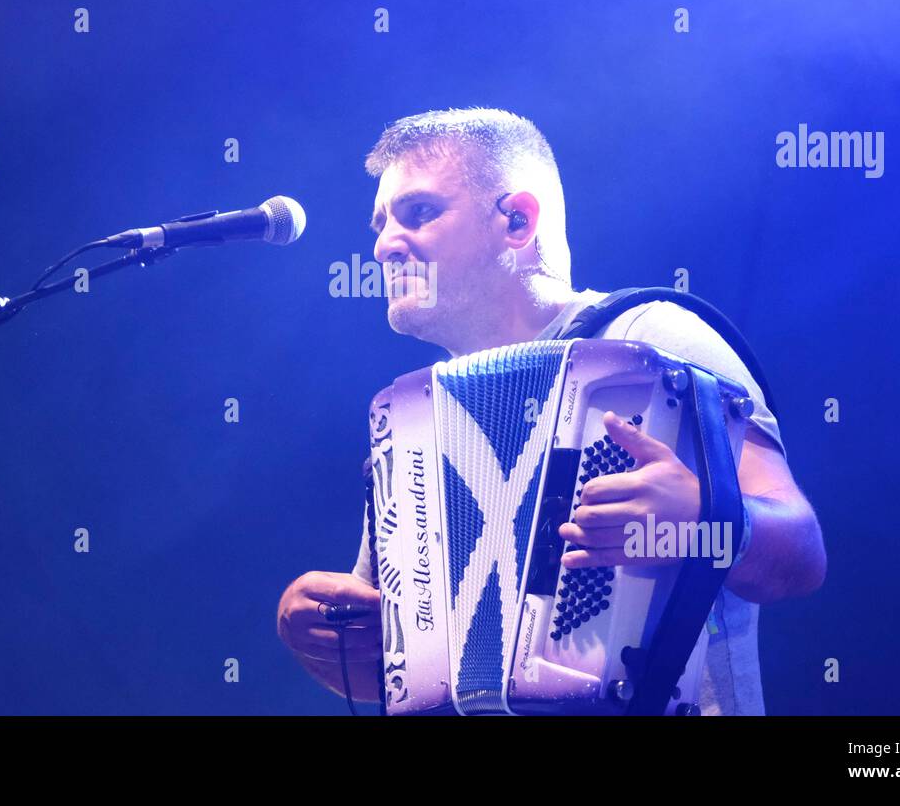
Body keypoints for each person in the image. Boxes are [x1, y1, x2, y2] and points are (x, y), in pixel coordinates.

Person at [276, 108, 827, 714]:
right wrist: (323, 633)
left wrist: (700, 520)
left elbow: (801, 556)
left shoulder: (652, 338)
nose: (383, 246)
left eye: (419, 213)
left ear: (517, 220)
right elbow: (400, 667)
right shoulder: (412, 419)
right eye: (379, 224)